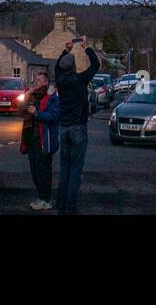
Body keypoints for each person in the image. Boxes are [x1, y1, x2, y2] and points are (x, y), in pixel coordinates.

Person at [54, 36, 99, 215]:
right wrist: (86, 47)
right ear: (73, 67)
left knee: (64, 168)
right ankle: (71, 208)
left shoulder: (59, 79)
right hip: (78, 127)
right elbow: (95, 65)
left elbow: (57, 67)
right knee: (75, 170)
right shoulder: (81, 80)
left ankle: (61, 206)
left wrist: (66, 50)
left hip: (63, 128)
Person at [19, 70, 59, 210]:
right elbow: (20, 111)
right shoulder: (33, 96)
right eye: (35, 79)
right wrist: (27, 96)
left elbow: (53, 117)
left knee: (44, 171)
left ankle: (46, 199)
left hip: (44, 139)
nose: (36, 82)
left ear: (46, 82)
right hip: (31, 138)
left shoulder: (51, 97)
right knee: (34, 170)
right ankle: (40, 197)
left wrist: (37, 113)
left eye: (39, 80)